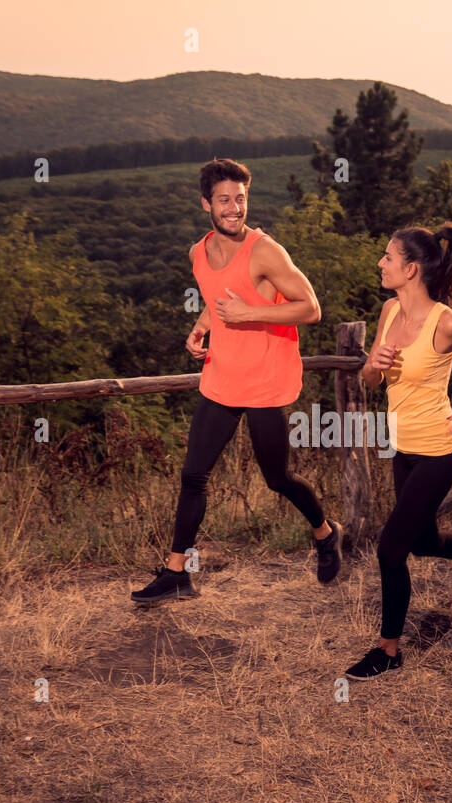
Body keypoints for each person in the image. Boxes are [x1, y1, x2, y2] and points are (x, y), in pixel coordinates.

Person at [131, 158, 342, 604]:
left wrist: (251, 313)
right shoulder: (198, 252)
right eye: (224, 200)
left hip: (265, 381)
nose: (234, 208)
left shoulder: (266, 251)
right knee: (193, 476)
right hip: (222, 377)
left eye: (240, 199)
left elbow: (311, 308)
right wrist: (201, 326)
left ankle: (325, 533)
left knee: (277, 479)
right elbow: (217, 299)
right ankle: (176, 574)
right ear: (205, 204)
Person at [345, 222, 452, 679]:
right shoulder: (388, 311)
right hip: (402, 448)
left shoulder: (448, 323)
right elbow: (371, 380)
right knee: (421, 542)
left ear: (411, 269)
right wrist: (373, 364)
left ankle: (388, 651)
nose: (380, 263)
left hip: (439, 452)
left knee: (390, 549)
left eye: (388, 257)